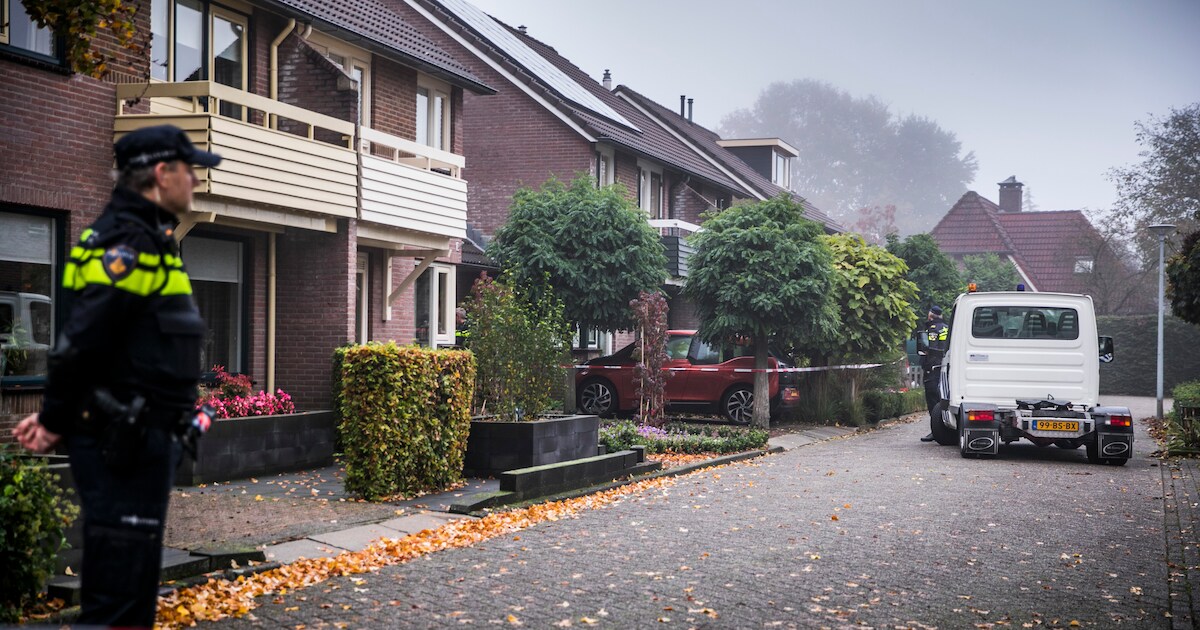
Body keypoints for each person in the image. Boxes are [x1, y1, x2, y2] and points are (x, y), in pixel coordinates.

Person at [14, 125, 219, 627]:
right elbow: (83, 339)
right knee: (118, 603)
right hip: (120, 443)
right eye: (188, 170)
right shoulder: (126, 242)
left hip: (138, 442)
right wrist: (56, 416)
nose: (196, 181)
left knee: (130, 598)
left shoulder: (146, 236)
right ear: (159, 172)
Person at [918, 305, 949, 442]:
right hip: (946, 367)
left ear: (930, 315)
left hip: (933, 369)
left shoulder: (932, 330)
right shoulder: (948, 328)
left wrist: (927, 361)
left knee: (933, 399)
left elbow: (931, 349)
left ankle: (936, 430)